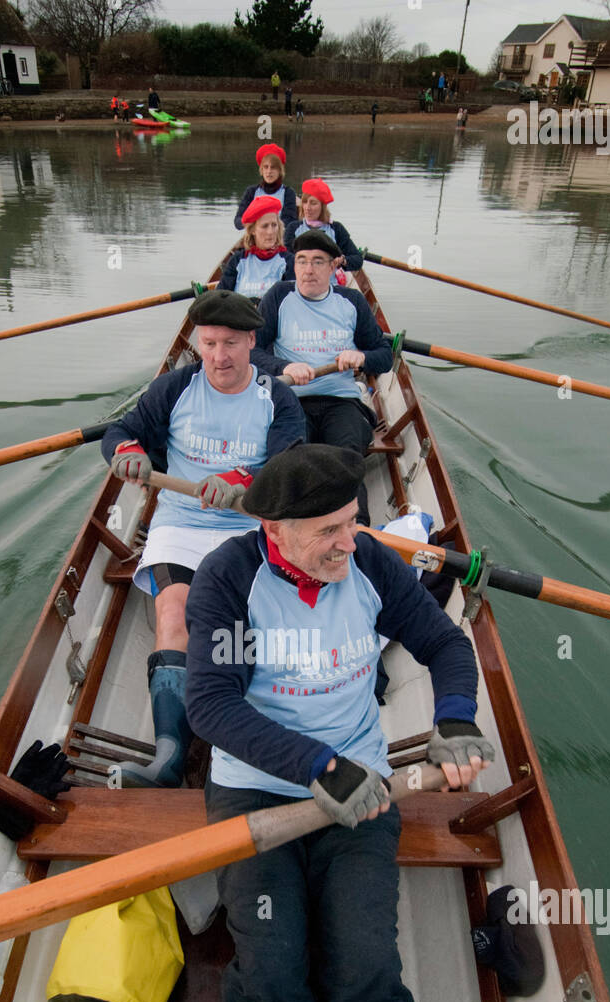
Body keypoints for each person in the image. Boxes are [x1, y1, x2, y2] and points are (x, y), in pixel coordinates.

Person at [184, 443, 493, 1002]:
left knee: (365, 969)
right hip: (258, 799)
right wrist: (320, 765)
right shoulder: (226, 579)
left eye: (355, 523)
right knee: (273, 979)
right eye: (328, 530)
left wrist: (456, 724)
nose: (348, 542)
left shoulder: (373, 566)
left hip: (363, 799)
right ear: (272, 529)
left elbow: (444, 647)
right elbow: (211, 707)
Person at [99, 290, 305, 788]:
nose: (219, 356)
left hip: (247, 529)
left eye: (231, 343)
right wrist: (126, 451)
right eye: (209, 343)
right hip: (180, 524)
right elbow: (121, 431)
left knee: (240, 631)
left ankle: (246, 734)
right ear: (197, 342)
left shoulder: (277, 397)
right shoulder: (174, 388)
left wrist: (244, 480)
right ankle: (170, 754)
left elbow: (289, 468)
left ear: (252, 341)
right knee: (174, 616)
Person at [253, 230, 392, 523]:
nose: (308, 270)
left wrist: (362, 357)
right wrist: (284, 367)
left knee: (344, 456)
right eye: (301, 261)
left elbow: (386, 356)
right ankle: (294, 527)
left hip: (341, 401)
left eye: (318, 262)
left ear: (333, 267)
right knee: (292, 458)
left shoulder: (352, 301)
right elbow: (251, 353)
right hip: (291, 401)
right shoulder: (279, 296)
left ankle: (357, 531)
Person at [283, 178, 362, 284]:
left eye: (313, 203)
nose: (307, 208)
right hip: (299, 284)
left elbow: (357, 260)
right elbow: (285, 259)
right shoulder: (293, 228)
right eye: (305, 202)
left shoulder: (336, 229)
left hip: (329, 285)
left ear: (322, 207)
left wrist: (342, 260)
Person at [220, 196, 295, 300]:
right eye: (265, 226)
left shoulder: (289, 261)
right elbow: (220, 298)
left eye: (274, 225)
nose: (270, 232)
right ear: (252, 230)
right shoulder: (238, 261)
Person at [234, 143, 298, 231]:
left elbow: (289, 222)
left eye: (273, 167)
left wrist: (268, 225)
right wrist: (251, 222)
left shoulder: (288, 193)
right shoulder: (251, 191)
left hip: (278, 239)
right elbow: (237, 221)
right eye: (266, 167)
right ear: (261, 170)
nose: (269, 171)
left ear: (280, 170)